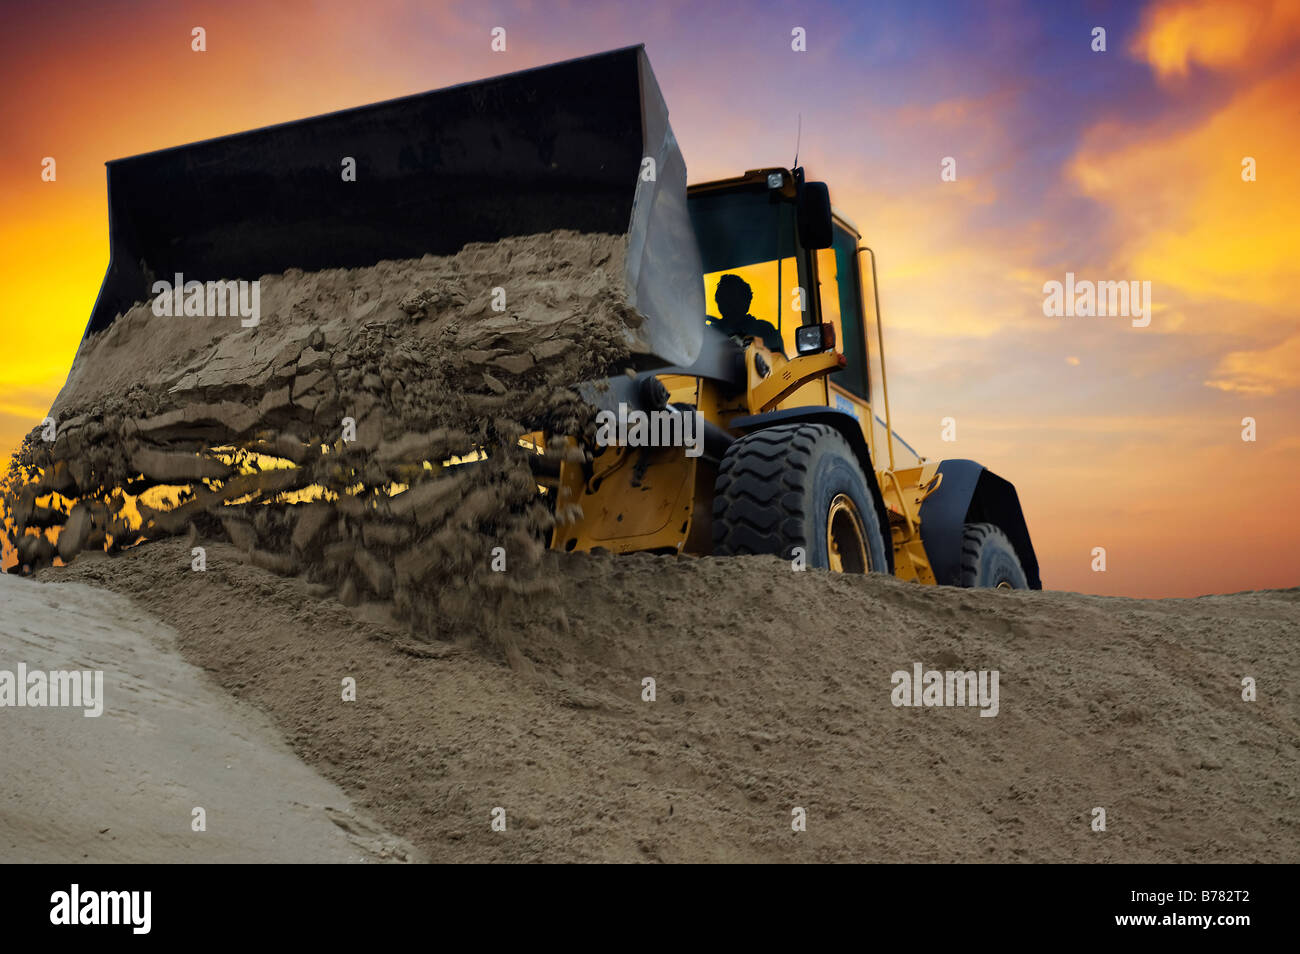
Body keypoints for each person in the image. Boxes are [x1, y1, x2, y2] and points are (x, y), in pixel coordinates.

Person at [707, 274, 785, 355]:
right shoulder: (709, 333)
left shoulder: (764, 331)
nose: (729, 303)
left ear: (747, 301)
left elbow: (779, 363)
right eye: (724, 298)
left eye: (734, 297)